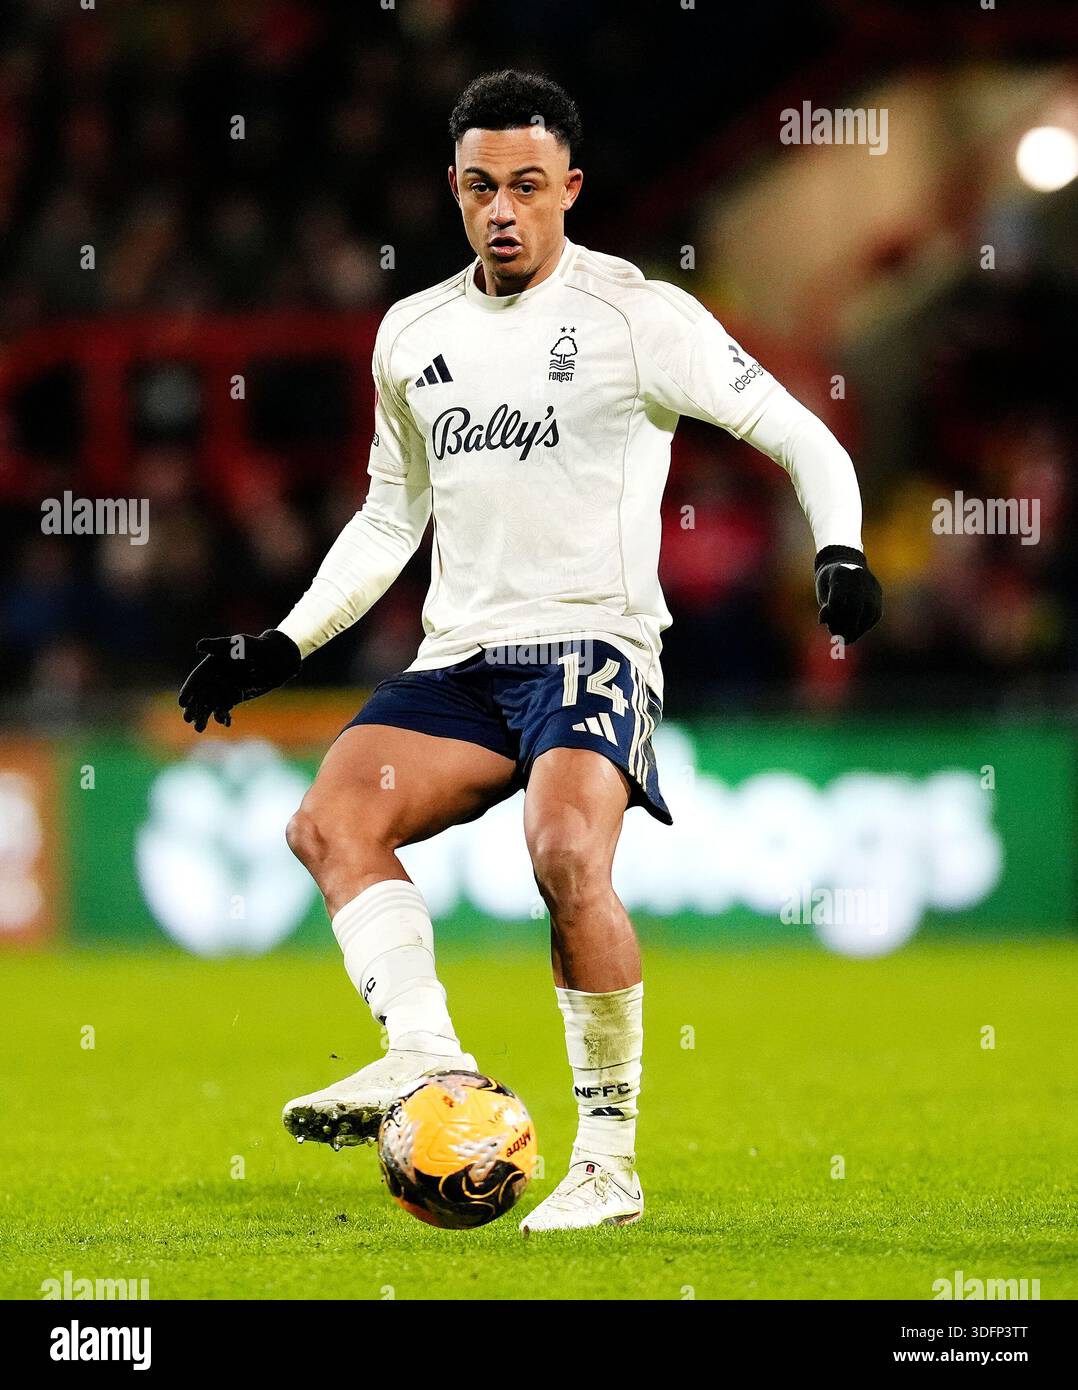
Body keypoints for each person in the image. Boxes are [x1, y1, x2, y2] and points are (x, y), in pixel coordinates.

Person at [178, 69, 882, 1233]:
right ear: (453, 192)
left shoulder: (635, 316)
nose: (500, 210)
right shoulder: (413, 334)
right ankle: (426, 1057)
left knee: (562, 851)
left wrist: (841, 553)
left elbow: (800, 432)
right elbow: (389, 517)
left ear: (569, 189)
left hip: (593, 644)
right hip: (462, 657)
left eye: (524, 186)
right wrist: (283, 642)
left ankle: (607, 1161)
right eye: (477, 188)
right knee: (327, 823)